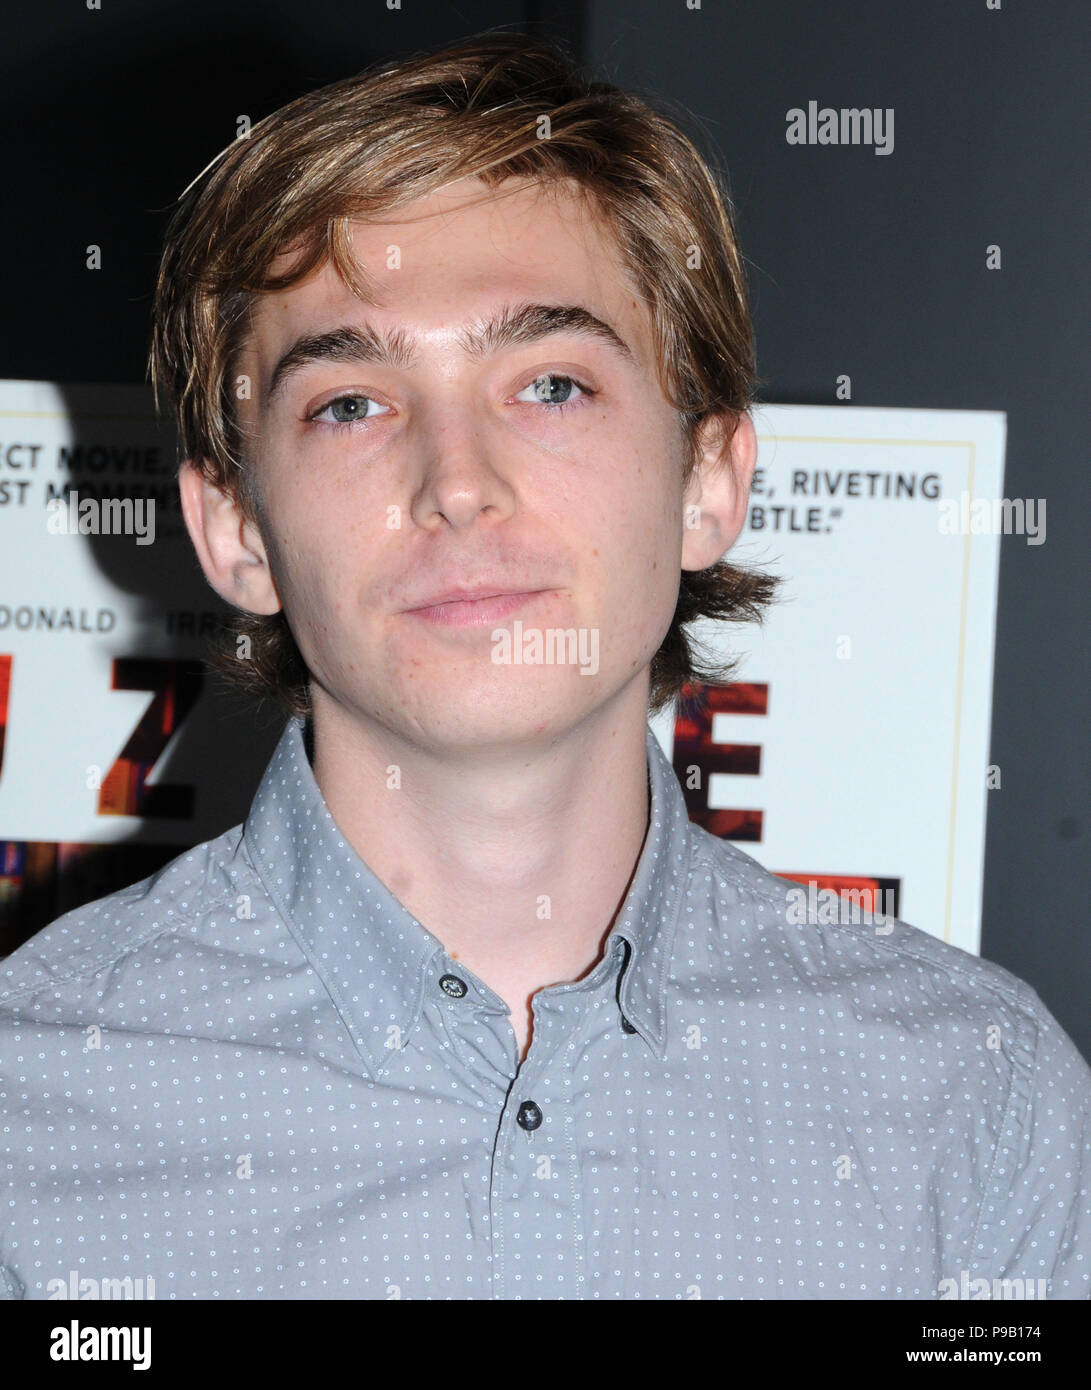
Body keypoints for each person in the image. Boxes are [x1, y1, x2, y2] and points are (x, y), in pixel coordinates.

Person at [1, 33, 1088, 1302]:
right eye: (349, 402)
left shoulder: (974, 1101)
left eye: (551, 384)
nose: (456, 484)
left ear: (706, 481)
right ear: (235, 531)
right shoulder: (33, 1105)